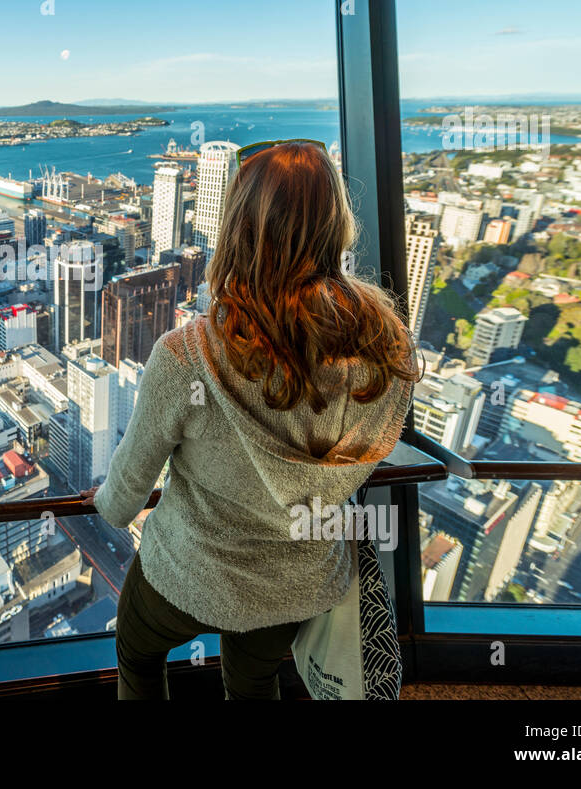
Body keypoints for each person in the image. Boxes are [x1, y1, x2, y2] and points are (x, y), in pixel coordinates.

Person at [82, 139, 419, 699]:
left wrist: (108, 504)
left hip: (187, 573)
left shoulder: (186, 356)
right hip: (297, 583)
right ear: (336, 222)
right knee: (256, 681)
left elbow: (125, 496)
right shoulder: (383, 352)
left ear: (237, 225)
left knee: (138, 658)